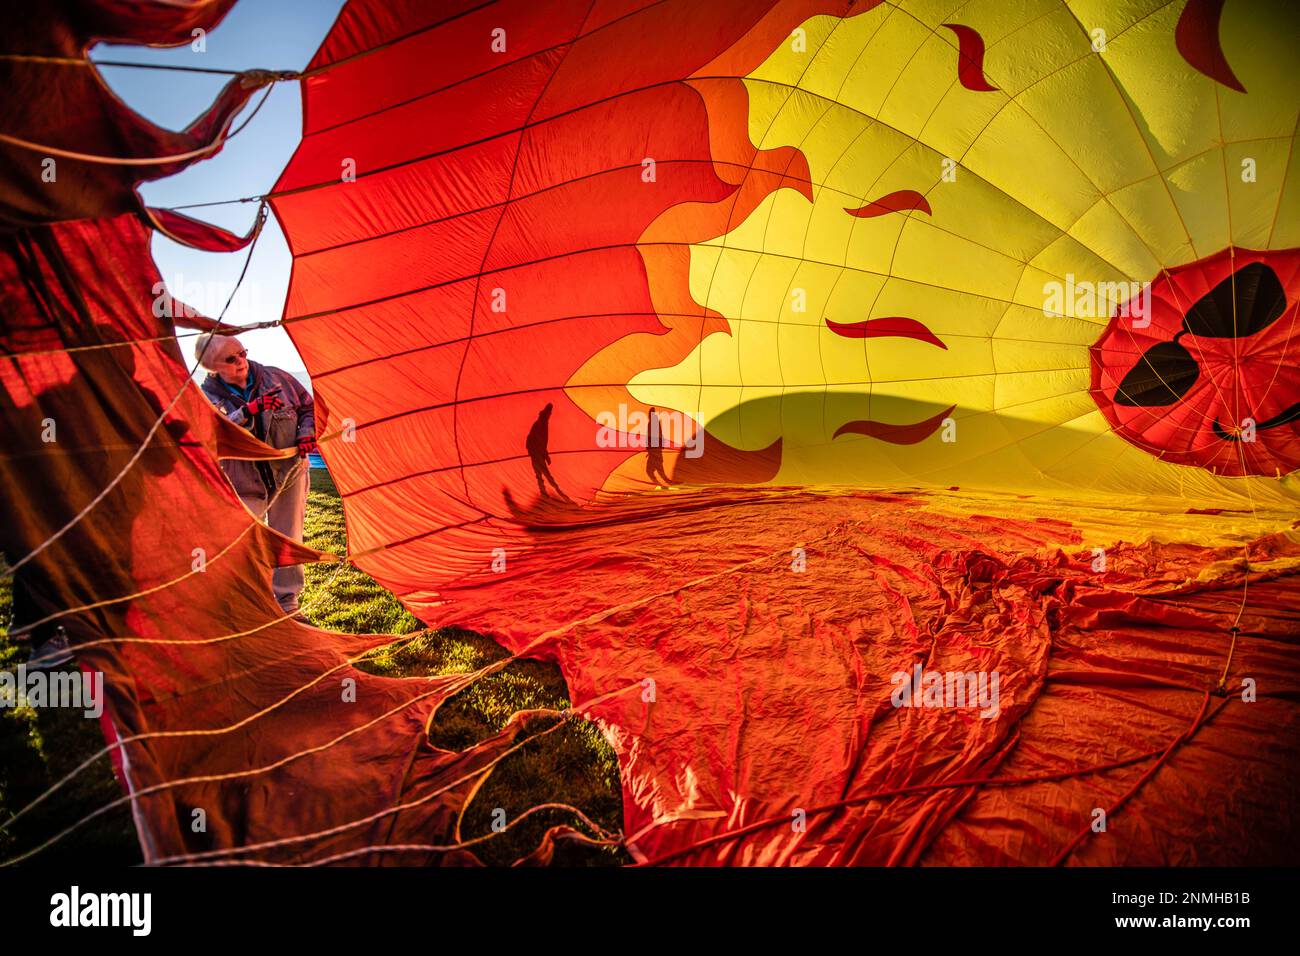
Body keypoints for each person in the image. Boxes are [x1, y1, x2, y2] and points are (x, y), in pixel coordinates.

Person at [195, 333, 316, 616]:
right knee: (238, 543)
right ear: (212, 367)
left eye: (242, 352)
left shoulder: (279, 379)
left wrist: (306, 433)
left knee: (288, 538)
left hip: (290, 473)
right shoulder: (205, 396)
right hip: (242, 482)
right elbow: (214, 433)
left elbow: (308, 405)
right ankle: (241, 604)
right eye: (231, 359)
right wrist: (249, 411)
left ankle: (287, 604)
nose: (241, 362)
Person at [525, 402, 568, 500]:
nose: (550, 415)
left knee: (539, 474)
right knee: (544, 473)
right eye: (550, 413)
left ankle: (544, 493)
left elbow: (540, 441)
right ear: (547, 413)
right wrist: (545, 455)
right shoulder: (541, 424)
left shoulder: (541, 423)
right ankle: (557, 491)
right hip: (536, 453)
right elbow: (540, 441)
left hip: (535, 452)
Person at [645, 406, 672, 488]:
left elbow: (653, 436)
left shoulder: (653, 423)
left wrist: (651, 449)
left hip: (655, 450)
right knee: (658, 472)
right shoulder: (654, 422)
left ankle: (664, 484)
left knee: (650, 471)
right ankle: (665, 485)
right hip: (655, 450)